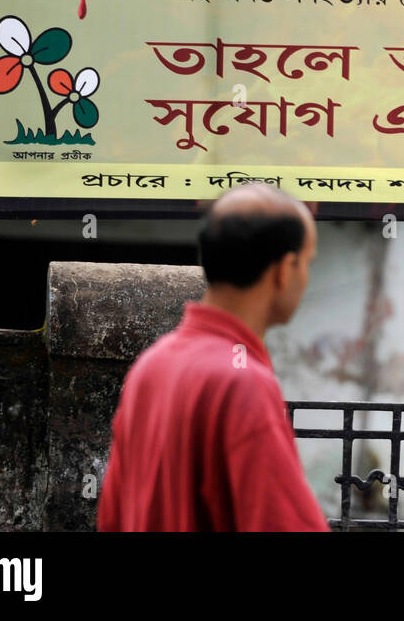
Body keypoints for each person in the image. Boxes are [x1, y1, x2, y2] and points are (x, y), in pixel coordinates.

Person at [98, 183, 329, 531]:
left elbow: (112, 516)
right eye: (307, 263)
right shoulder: (243, 383)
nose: (307, 278)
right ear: (285, 270)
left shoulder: (152, 364)